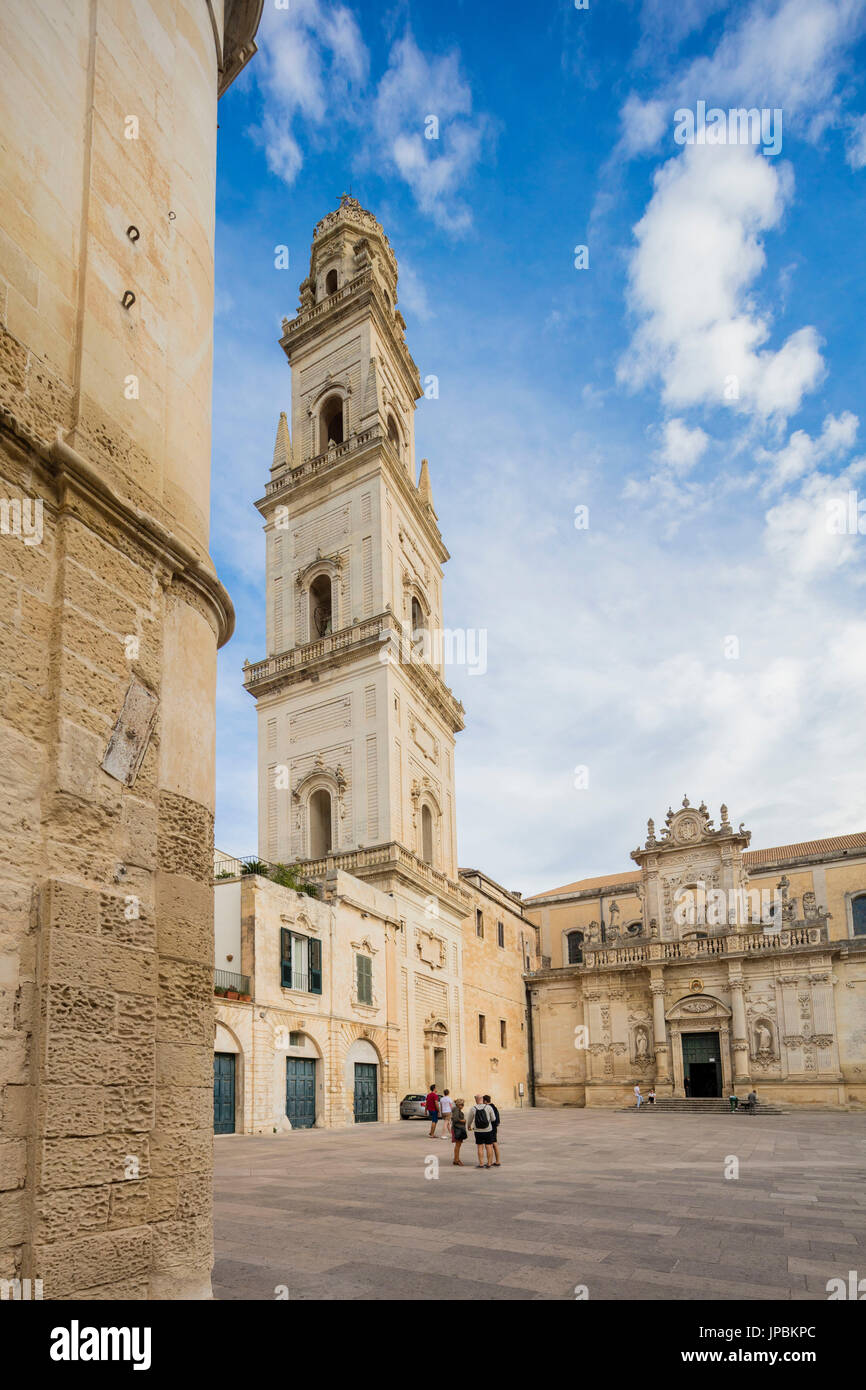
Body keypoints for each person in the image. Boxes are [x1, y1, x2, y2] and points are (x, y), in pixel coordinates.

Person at [467, 1094, 494, 1167]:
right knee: (488, 1146)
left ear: (476, 1100)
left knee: (480, 1146)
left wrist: (469, 1126)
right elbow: (493, 1119)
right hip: (488, 1130)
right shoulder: (488, 1107)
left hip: (478, 1131)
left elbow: (470, 1119)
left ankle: (481, 1164)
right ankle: (489, 1163)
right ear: (482, 1099)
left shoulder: (473, 1108)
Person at [482, 1094, 501, 1166]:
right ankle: (496, 1161)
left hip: (491, 1128)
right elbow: (497, 1119)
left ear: (485, 1101)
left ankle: (494, 1161)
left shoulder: (489, 1107)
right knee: (493, 1144)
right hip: (494, 1127)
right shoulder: (494, 1107)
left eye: (483, 1101)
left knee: (492, 1144)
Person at [451, 1098, 467, 1165]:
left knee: (458, 1145)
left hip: (457, 1128)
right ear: (459, 1104)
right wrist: (463, 1120)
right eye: (462, 1104)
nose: (463, 1106)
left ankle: (456, 1159)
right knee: (458, 1145)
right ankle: (457, 1160)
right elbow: (455, 1119)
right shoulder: (456, 1109)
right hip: (457, 1129)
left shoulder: (456, 1109)